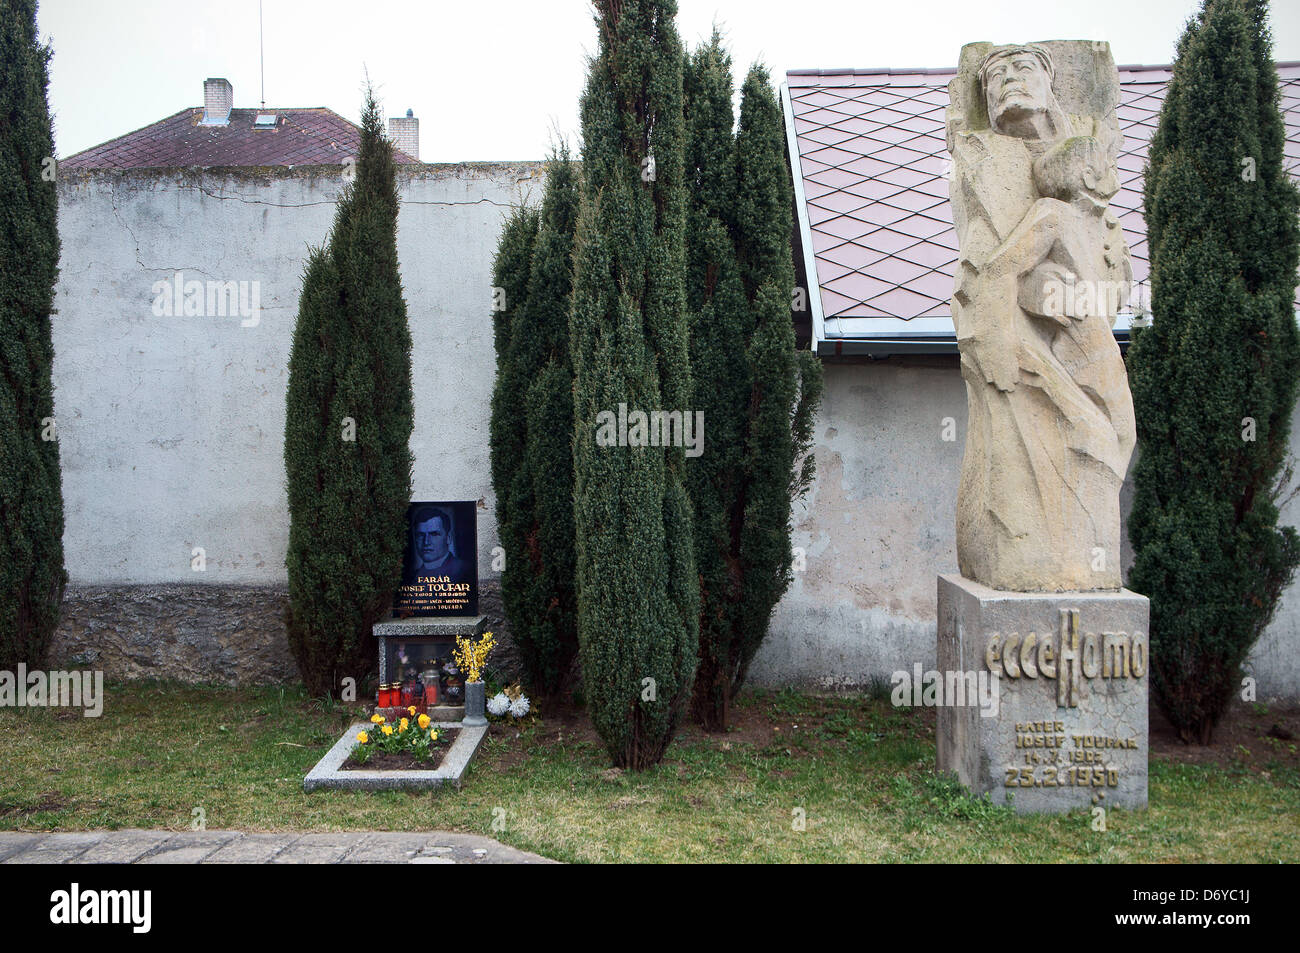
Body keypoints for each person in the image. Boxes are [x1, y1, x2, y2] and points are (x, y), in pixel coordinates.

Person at [408, 505, 470, 582]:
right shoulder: (412, 577)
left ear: (448, 538)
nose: (426, 542)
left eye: (434, 534)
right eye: (420, 535)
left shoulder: (464, 571)